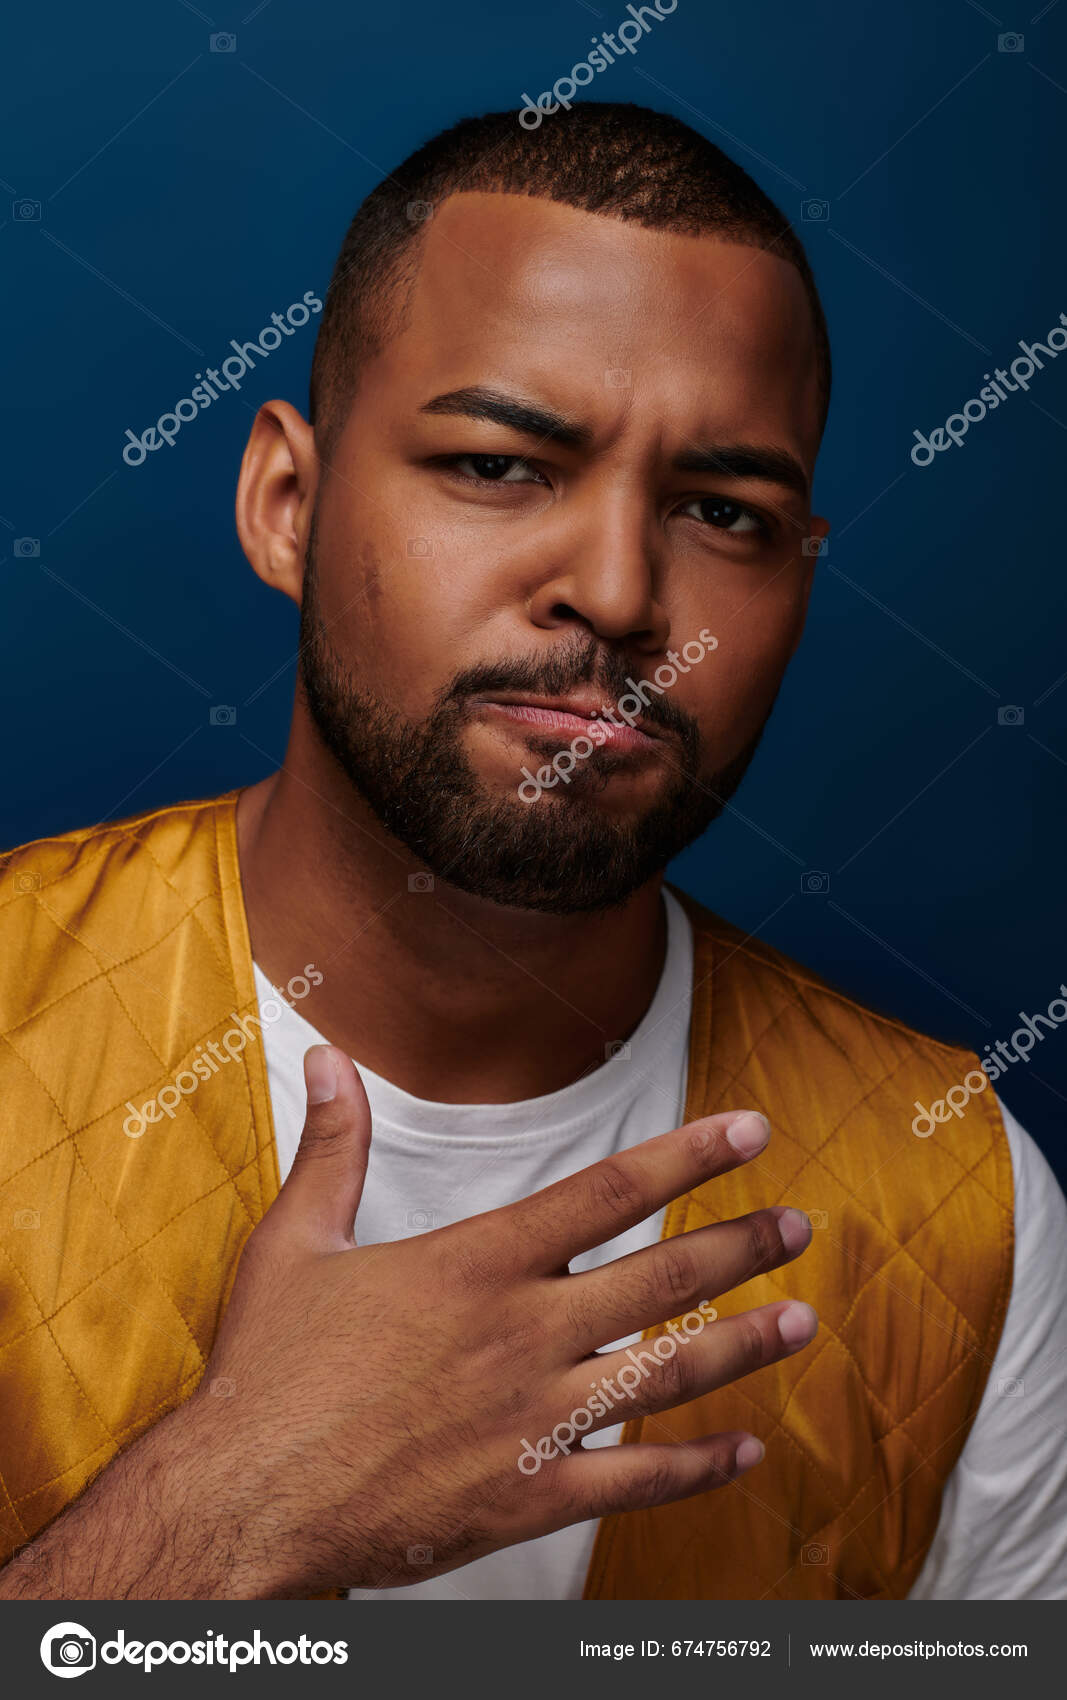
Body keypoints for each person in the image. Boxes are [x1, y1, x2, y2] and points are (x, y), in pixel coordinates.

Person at [1, 103, 1064, 1603]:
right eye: (502, 466)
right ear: (287, 507)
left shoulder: (965, 1207)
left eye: (721, 510)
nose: (623, 591)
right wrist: (227, 1504)